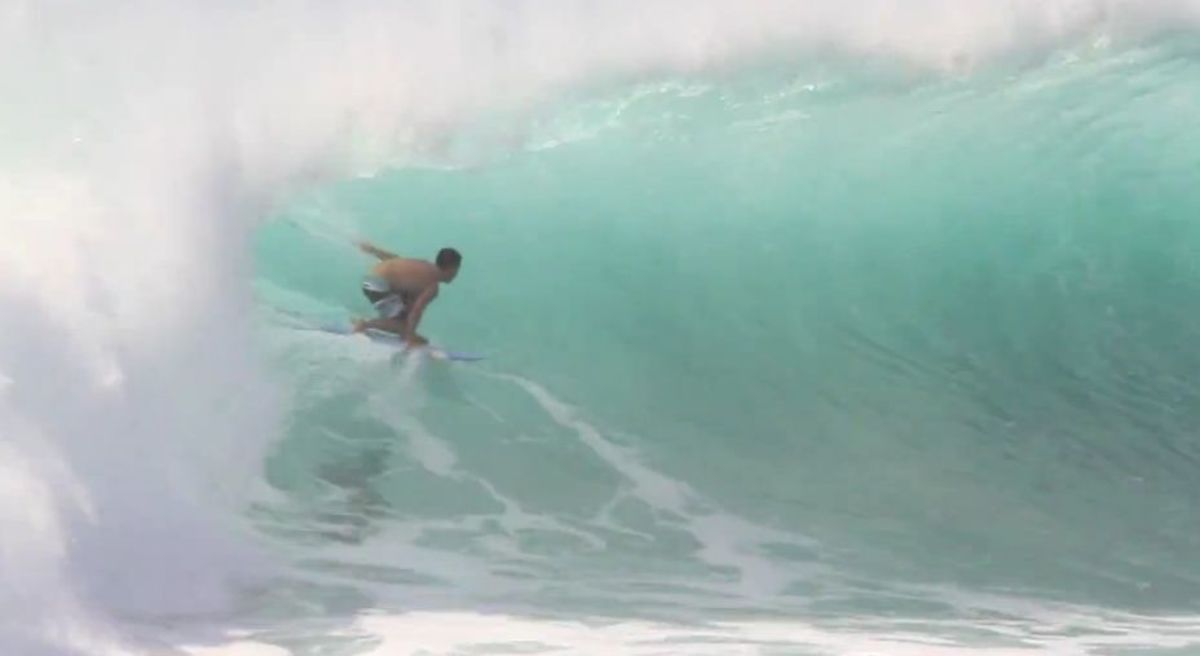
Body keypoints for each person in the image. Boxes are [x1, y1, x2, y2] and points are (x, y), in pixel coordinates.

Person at [353, 240, 461, 348]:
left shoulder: (423, 264)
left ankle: (387, 325)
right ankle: (365, 324)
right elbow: (417, 311)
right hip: (377, 285)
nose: (456, 274)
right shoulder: (432, 285)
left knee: (409, 301)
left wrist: (372, 250)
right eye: (457, 270)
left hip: (371, 279)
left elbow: (395, 259)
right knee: (403, 325)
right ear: (451, 269)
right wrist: (409, 336)